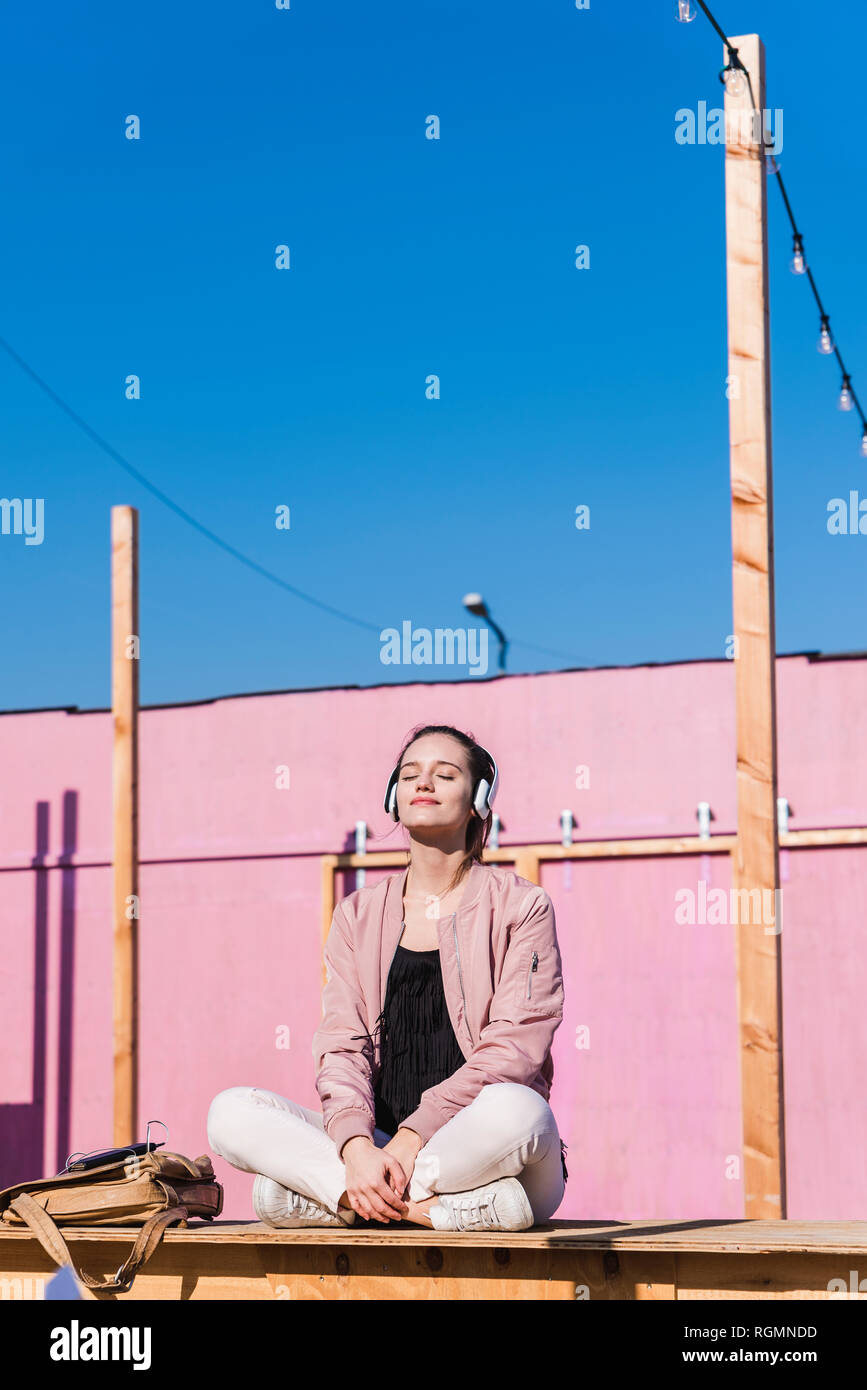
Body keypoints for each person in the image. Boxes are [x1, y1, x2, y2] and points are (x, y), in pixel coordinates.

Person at [207, 723, 568, 1232]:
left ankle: (343, 1201)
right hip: (378, 1146)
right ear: (392, 797)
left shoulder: (521, 907)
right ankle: (429, 1211)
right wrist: (356, 1147)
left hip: (487, 1154)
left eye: (445, 774)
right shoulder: (357, 915)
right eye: (409, 774)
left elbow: (514, 1052)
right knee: (230, 1113)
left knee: (520, 1111)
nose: (424, 783)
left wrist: (410, 1138)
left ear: (479, 801)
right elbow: (341, 1048)